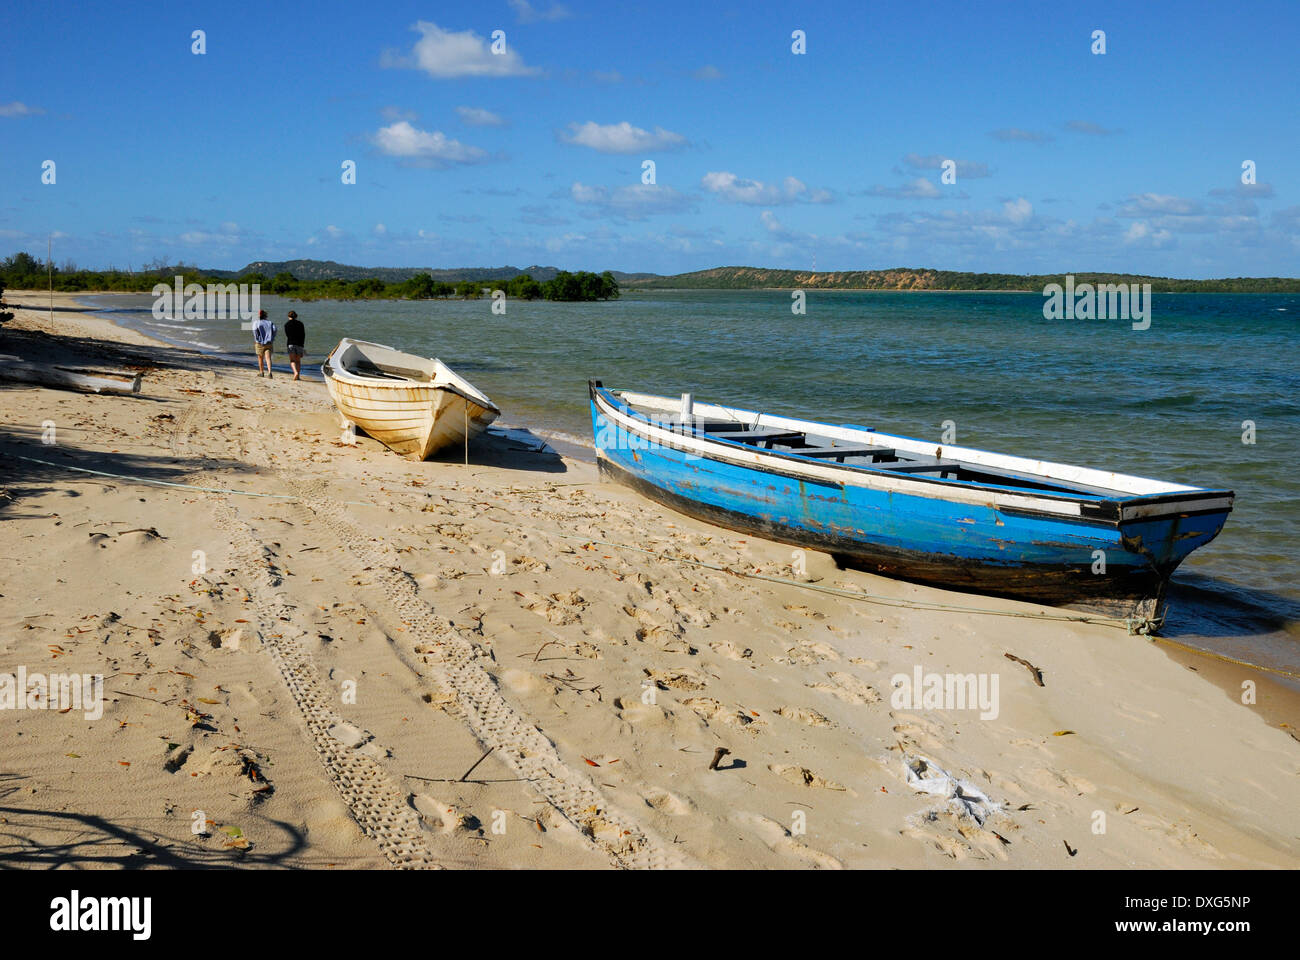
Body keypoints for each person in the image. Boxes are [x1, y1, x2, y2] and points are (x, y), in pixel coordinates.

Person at [252, 309, 276, 378]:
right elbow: (275, 330)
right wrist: (272, 338)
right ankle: (270, 372)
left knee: (260, 358)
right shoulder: (270, 322)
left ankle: (261, 372)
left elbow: (255, 331)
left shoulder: (256, 322)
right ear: (265, 315)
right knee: (268, 358)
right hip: (269, 342)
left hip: (259, 343)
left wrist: (257, 339)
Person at [284, 310, 305, 381]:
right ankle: (298, 376)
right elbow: (303, 335)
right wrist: (302, 345)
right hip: (299, 344)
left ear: (288, 316)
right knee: (298, 361)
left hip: (290, 344)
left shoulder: (286, 324)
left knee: (292, 360)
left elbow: (287, 335)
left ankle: (295, 372)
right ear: (296, 316)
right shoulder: (300, 324)